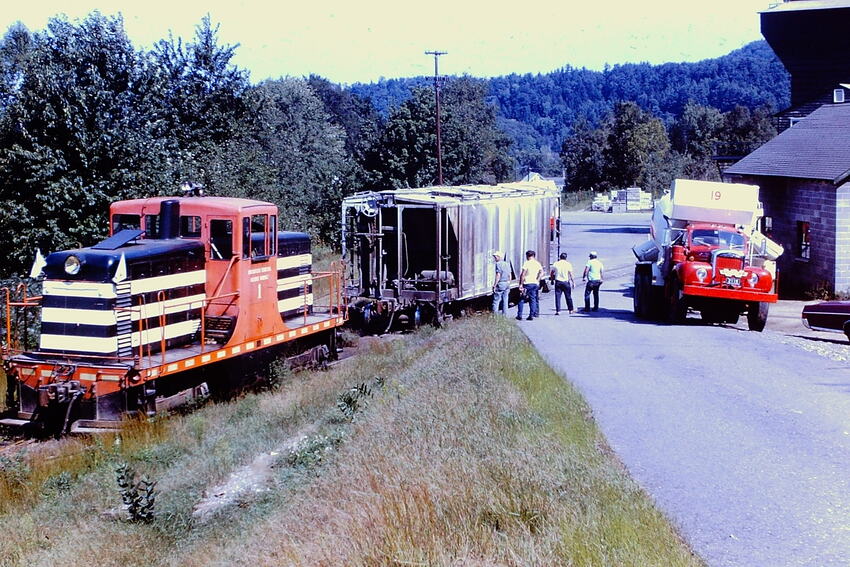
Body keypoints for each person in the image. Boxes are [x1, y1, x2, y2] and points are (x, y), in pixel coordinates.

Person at [516, 250, 543, 320]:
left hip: (527, 283)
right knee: (532, 299)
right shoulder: (537, 263)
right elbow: (541, 272)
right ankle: (531, 315)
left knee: (521, 299)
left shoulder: (527, 263)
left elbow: (523, 274)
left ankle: (519, 315)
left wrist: (521, 284)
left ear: (527, 256)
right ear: (534, 256)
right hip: (534, 284)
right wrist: (538, 280)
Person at [491, 251, 510, 315]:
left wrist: (495, 285)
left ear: (499, 257)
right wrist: (508, 282)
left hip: (501, 283)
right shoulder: (507, 264)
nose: (495, 258)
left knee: (496, 300)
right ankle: (505, 315)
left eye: (495, 257)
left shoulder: (498, 264)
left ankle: (495, 316)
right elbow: (509, 275)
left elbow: (498, 275)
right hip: (506, 283)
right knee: (505, 300)